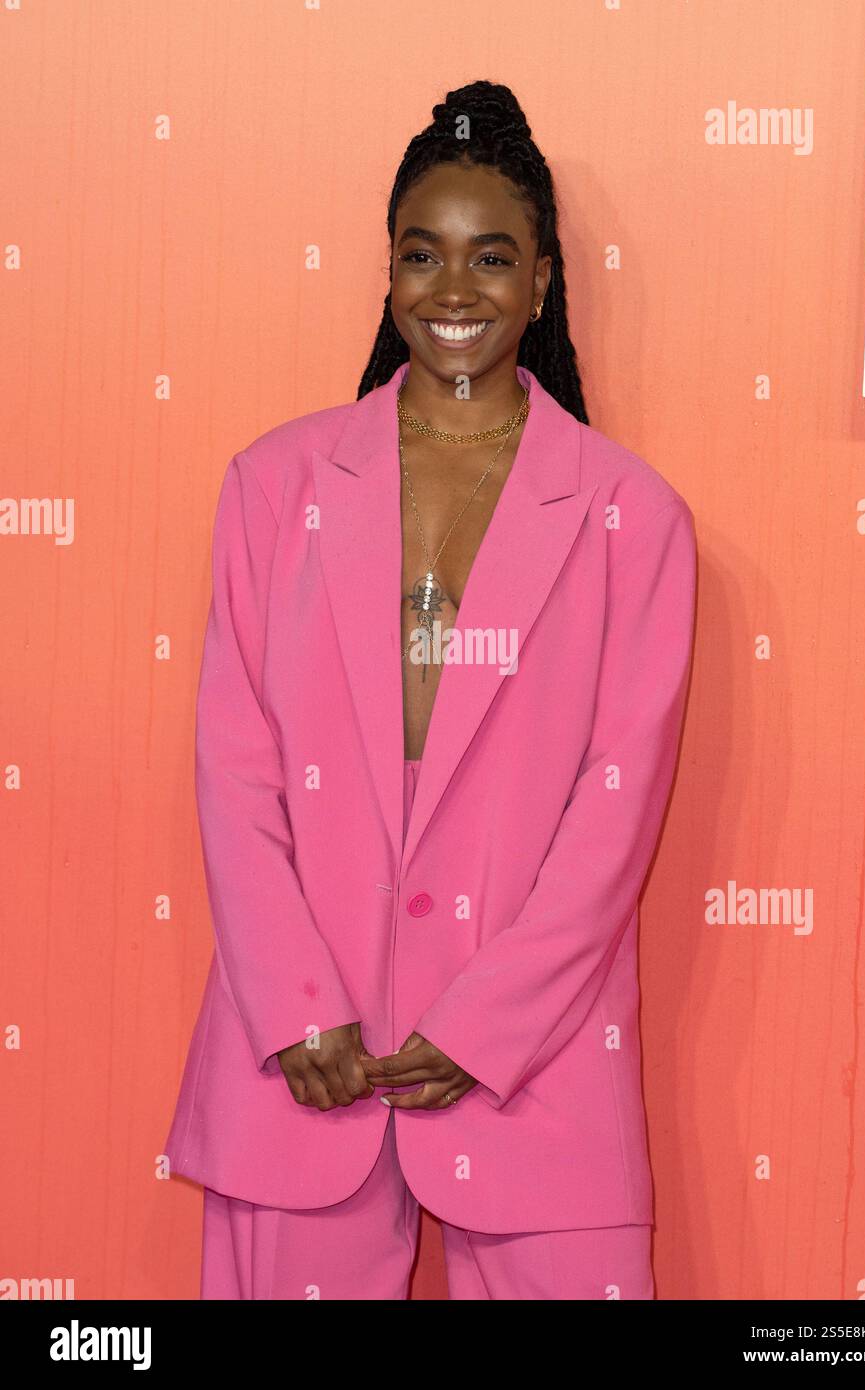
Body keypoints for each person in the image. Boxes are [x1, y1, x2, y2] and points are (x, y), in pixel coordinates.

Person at [163, 80, 697, 1301]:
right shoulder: (272, 485)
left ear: (545, 280)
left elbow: (615, 812)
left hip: (541, 1066)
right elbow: (233, 764)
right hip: (301, 1060)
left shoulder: (631, 518)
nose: (453, 290)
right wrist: (295, 1007)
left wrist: (488, 1025)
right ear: (388, 270)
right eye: (422, 253)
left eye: (491, 257)